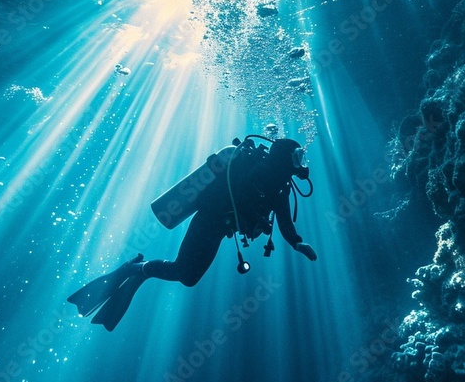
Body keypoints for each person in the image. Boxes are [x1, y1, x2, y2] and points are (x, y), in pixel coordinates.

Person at [67, 137, 317, 330]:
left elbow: (285, 222)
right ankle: (135, 269)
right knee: (183, 273)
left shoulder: (281, 187)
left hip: (221, 229)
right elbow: (240, 198)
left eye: (301, 158)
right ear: (284, 156)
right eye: (297, 157)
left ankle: (139, 270)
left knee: (188, 278)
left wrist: (297, 243)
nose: (300, 163)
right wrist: (261, 221)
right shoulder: (256, 171)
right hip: (208, 221)